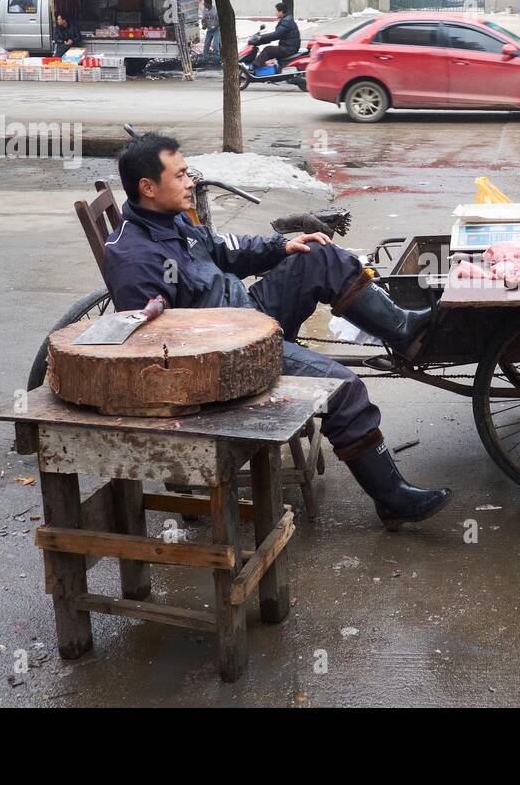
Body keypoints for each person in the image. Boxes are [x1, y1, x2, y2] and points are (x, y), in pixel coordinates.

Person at [102, 133, 451, 530]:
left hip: (249, 318)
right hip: (228, 355)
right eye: (180, 176)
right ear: (147, 187)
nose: (190, 182)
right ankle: (392, 497)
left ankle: (401, 328)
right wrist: (241, 337)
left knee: (317, 255)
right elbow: (154, 347)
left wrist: (280, 246)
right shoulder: (134, 256)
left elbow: (221, 249)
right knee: (342, 386)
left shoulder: (172, 219)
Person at [249, 2, 300, 71]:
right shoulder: (287, 20)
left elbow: (276, 35)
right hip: (289, 46)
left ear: (281, 12)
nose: (275, 13)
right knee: (269, 50)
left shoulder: (286, 22)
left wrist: (261, 38)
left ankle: (253, 67)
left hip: (288, 48)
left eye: (276, 11)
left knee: (268, 50)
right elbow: (276, 34)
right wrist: (262, 40)